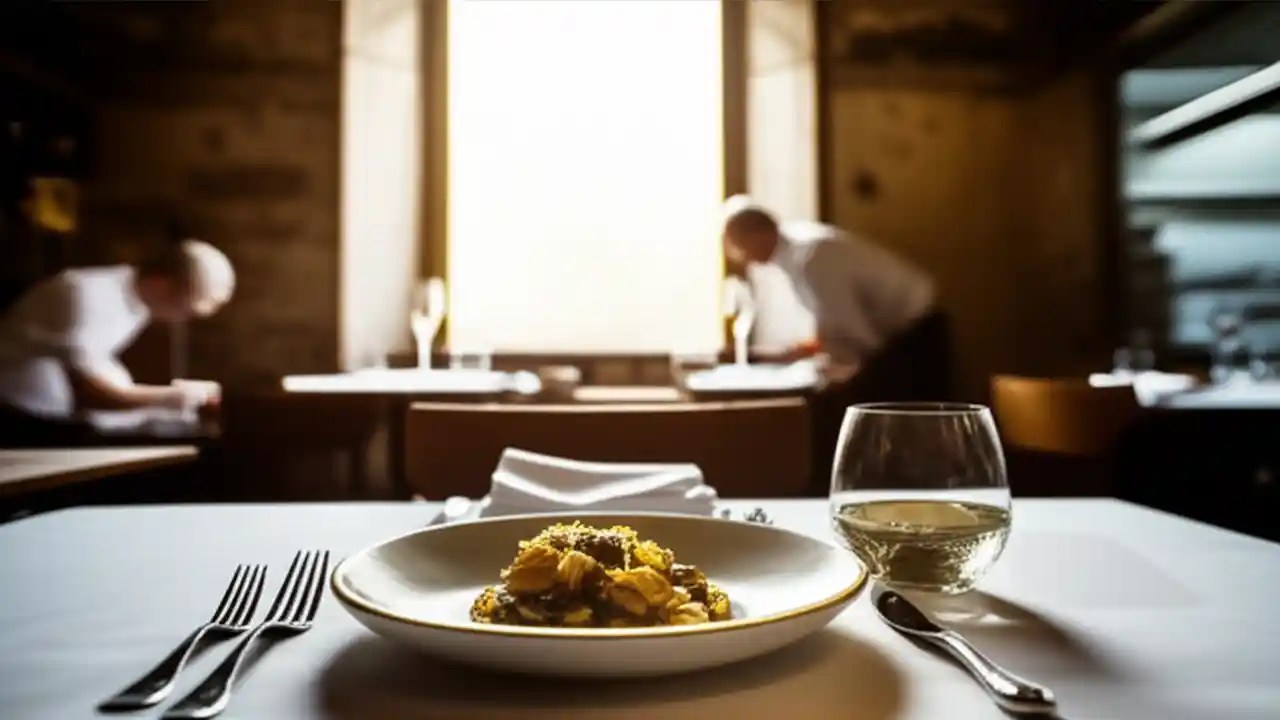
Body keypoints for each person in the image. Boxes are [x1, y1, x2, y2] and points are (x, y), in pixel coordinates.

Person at [0, 239, 234, 444]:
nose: (184, 319)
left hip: (55, 419)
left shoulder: (136, 304)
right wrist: (175, 397)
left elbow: (92, 364)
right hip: (20, 420)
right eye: (187, 309)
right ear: (163, 283)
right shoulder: (86, 296)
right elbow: (89, 394)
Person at [720, 195, 935, 370]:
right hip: (895, 337)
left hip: (913, 337)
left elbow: (854, 336)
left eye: (740, 246)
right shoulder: (794, 252)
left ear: (757, 234)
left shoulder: (812, 258)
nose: (743, 258)